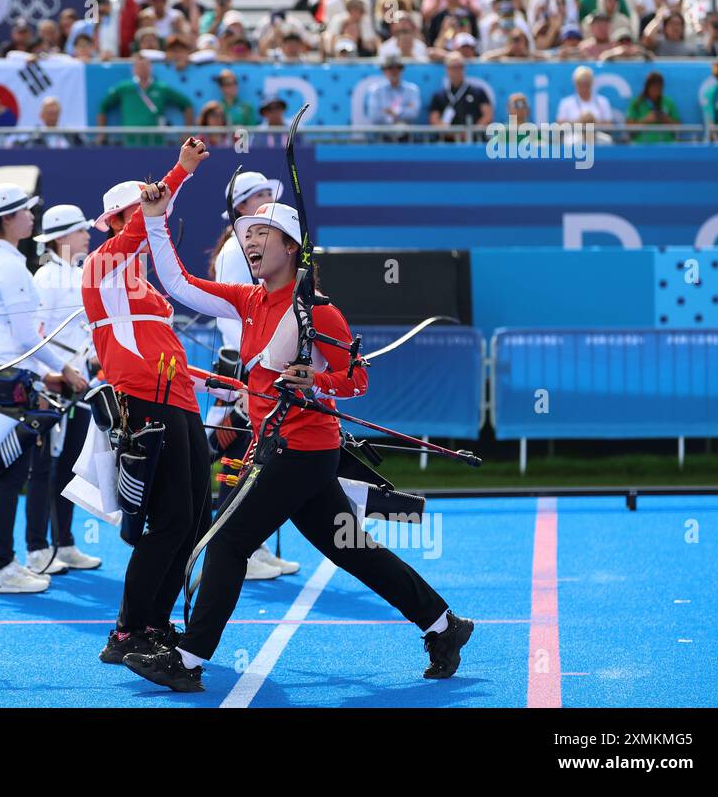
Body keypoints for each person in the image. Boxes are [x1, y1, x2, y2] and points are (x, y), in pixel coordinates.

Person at [123, 184, 473, 692]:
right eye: (248, 234)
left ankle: (190, 660)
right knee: (354, 549)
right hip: (289, 448)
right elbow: (177, 282)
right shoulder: (247, 300)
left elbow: (357, 380)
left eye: (264, 233)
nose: (251, 241)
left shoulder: (317, 308)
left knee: (224, 544)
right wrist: (155, 219)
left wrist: (318, 381)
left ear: (292, 247)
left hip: (300, 449)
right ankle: (444, 626)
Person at [81, 137, 212, 664]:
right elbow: (143, 230)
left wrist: (208, 377)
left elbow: (157, 345)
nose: (153, 218)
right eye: (140, 211)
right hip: (145, 400)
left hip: (177, 396)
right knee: (169, 519)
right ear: (117, 222)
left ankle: (155, 621)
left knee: (195, 517)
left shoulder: (138, 279)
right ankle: (128, 631)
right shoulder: (100, 265)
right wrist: (179, 172)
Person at [0, 184, 89, 592]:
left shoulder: (6, 262)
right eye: (24, 211)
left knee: (9, 473)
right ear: (7, 219)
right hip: (13, 382)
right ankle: (0, 565)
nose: (31, 218)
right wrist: (64, 371)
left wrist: (51, 374)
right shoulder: (11, 266)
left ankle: (4, 562)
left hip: (17, 379)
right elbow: (26, 338)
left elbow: (24, 338)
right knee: (8, 474)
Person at [206, 170, 299, 581]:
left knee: (249, 453)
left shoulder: (253, 249)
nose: (267, 199)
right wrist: (251, 372)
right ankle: (234, 541)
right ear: (241, 207)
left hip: (259, 368)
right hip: (245, 370)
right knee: (234, 452)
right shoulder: (234, 250)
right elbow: (237, 318)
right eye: (259, 196)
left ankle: (250, 542)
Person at [28, 205, 104, 574]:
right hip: (55, 387)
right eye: (79, 231)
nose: (87, 236)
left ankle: (65, 543)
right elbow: (35, 335)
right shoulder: (44, 277)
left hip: (79, 385)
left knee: (72, 469)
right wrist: (51, 376)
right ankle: (37, 548)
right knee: (44, 469)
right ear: (60, 238)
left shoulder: (76, 274)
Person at [625, 71, 680, 145]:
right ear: (647, 87)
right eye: (653, 86)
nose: (656, 89)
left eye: (658, 87)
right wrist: (646, 120)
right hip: (641, 145)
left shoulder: (668, 102)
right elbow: (628, 127)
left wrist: (666, 119)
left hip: (666, 144)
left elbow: (679, 128)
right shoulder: (636, 102)